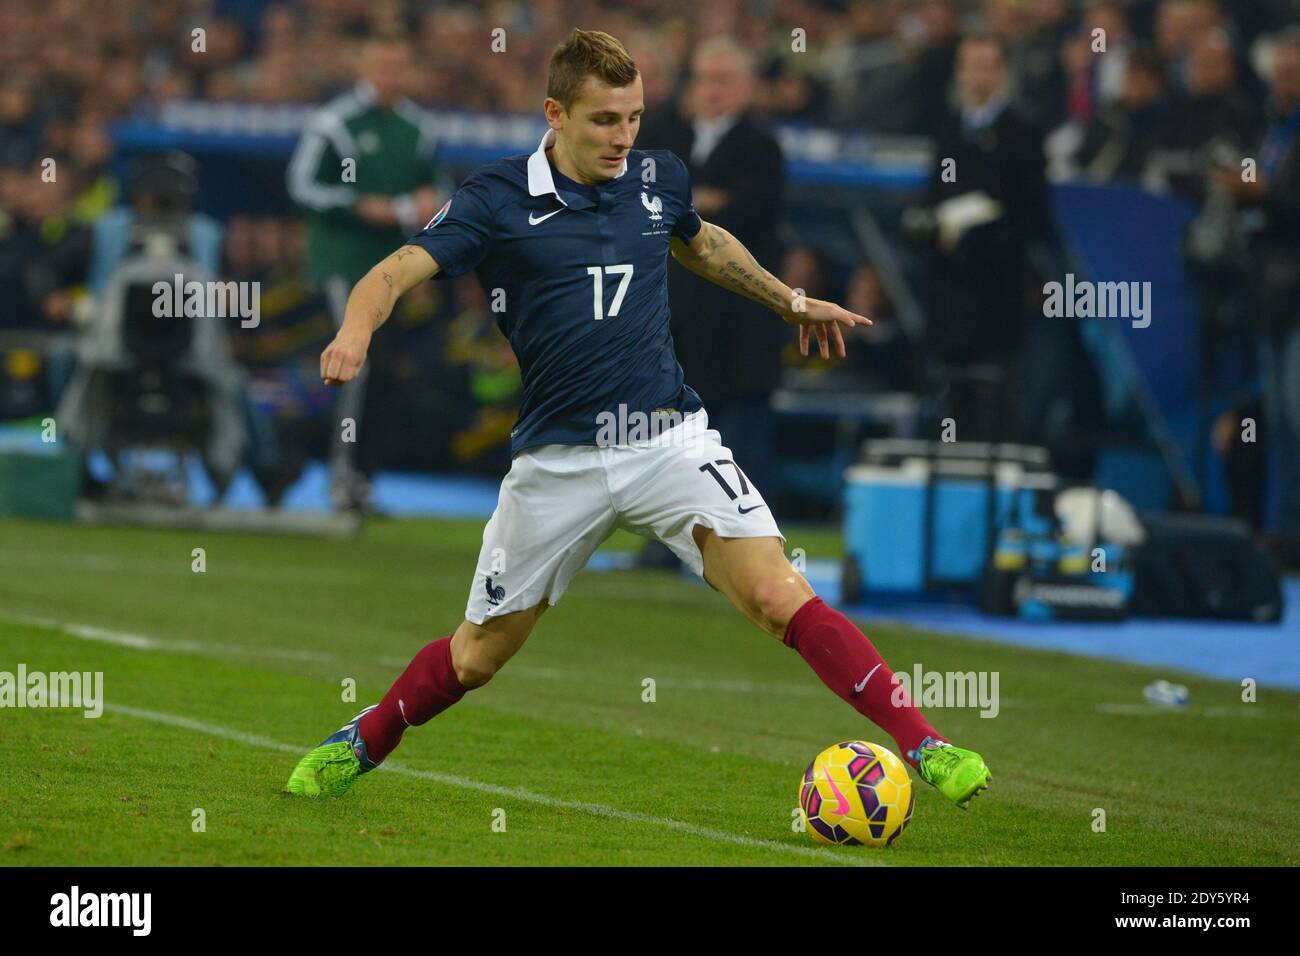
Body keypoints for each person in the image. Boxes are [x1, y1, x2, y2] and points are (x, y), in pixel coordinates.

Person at [284, 29, 991, 811]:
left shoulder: (657, 177)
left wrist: (789, 301)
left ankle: (925, 743)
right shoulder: (495, 199)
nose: (624, 138)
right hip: (560, 463)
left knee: (775, 593)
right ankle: (367, 737)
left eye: (634, 118)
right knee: (478, 657)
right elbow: (391, 272)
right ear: (554, 113)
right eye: (604, 121)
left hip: (666, 439)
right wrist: (355, 331)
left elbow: (703, 242)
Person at [286, 34, 444, 512]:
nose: (390, 73)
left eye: (399, 64)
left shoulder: (418, 126)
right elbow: (302, 185)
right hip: (345, 261)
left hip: (397, 267)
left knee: (387, 371)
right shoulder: (335, 122)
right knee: (358, 361)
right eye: (382, 63)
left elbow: (435, 181)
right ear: (364, 66)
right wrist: (358, 205)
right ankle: (339, 477)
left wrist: (429, 199)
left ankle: (363, 478)